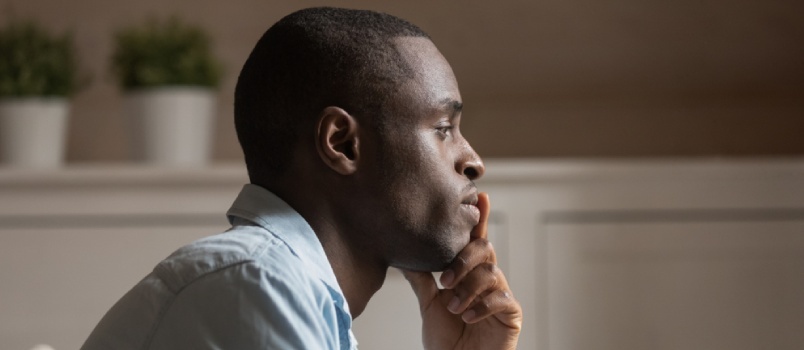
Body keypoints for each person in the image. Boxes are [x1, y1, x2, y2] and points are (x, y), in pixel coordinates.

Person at [81, 7, 522, 350]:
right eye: (444, 128)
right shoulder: (261, 282)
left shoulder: (301, 299)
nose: (473, 161)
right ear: (343, 144)